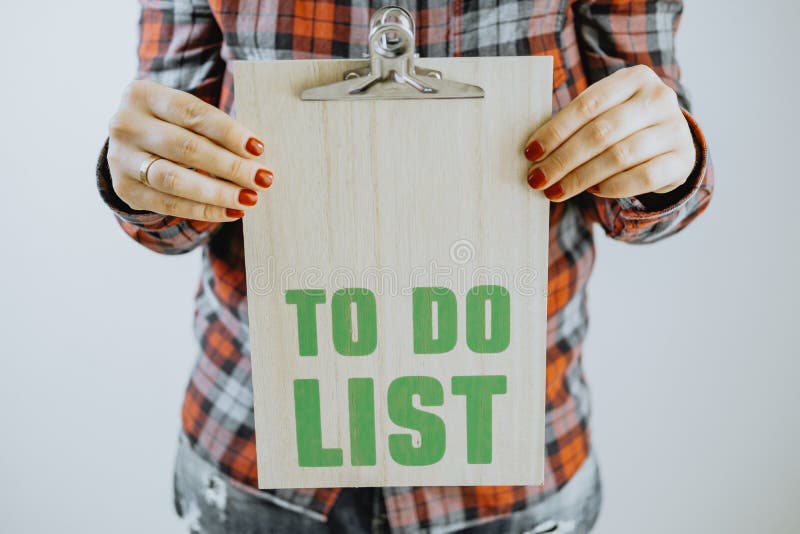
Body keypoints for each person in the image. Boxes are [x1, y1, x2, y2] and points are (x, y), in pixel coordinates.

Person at [97, 1, 714, 532]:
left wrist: (663, 164)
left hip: (513, 459)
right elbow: (169, 208)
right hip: (256, 444)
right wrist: (147, 178)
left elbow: (640, 189)